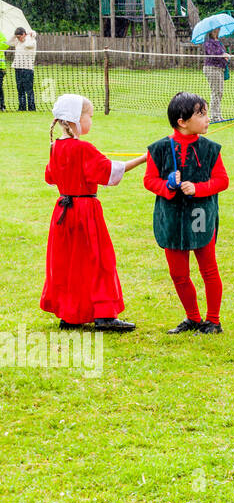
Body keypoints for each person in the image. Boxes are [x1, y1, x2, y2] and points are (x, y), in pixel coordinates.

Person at [40, 94, 147, 331]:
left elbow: (50, 176)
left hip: (63, 213)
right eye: (89, 116)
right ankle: (104, 315)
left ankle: (70, 314)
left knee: (69, 263)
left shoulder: (56, 146)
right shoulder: (84, 148)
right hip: (84, 212)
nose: (91, 121)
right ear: (76, 119)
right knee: (99, 261)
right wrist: (143, 158)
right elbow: (109, 172)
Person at [142, 92, 229, 334]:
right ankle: (193, 318)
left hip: (200, 215)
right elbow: (149, 180)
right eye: (201, 114)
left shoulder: (211, 149)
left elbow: (222, 181)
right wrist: (167, 186)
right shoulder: (158, 149)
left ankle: (213, 320)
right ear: (182, 121)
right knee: (178, 273)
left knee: (208, 268)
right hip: (170, 217)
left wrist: (198, 189)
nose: (207, 119)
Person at [201, 28, 228, 122]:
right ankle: (214, 116)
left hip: (220, 68)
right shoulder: (208, 42)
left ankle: (218, 115)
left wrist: (226, 56)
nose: (217, 31)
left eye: (218, 29)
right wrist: (223, 54)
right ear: (211, 31)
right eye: (214, 30)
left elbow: (222, 53)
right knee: (215, 92)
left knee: (219, 92)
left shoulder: (218, 42)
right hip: (212, 68)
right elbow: (213, 54)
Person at [12, 27, 36, 111]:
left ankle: (31, 108)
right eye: (17, 37)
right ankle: (21, 107)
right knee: (20, 89)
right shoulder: (17, 42)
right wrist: (14, 36)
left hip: (27, 69)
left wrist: (30, 35)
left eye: (19, 37)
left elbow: (27, 44)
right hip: (18, 68)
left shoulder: (31, 41)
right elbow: (9, 42)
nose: (18, 39)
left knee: (29, 90)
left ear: (24, 34)